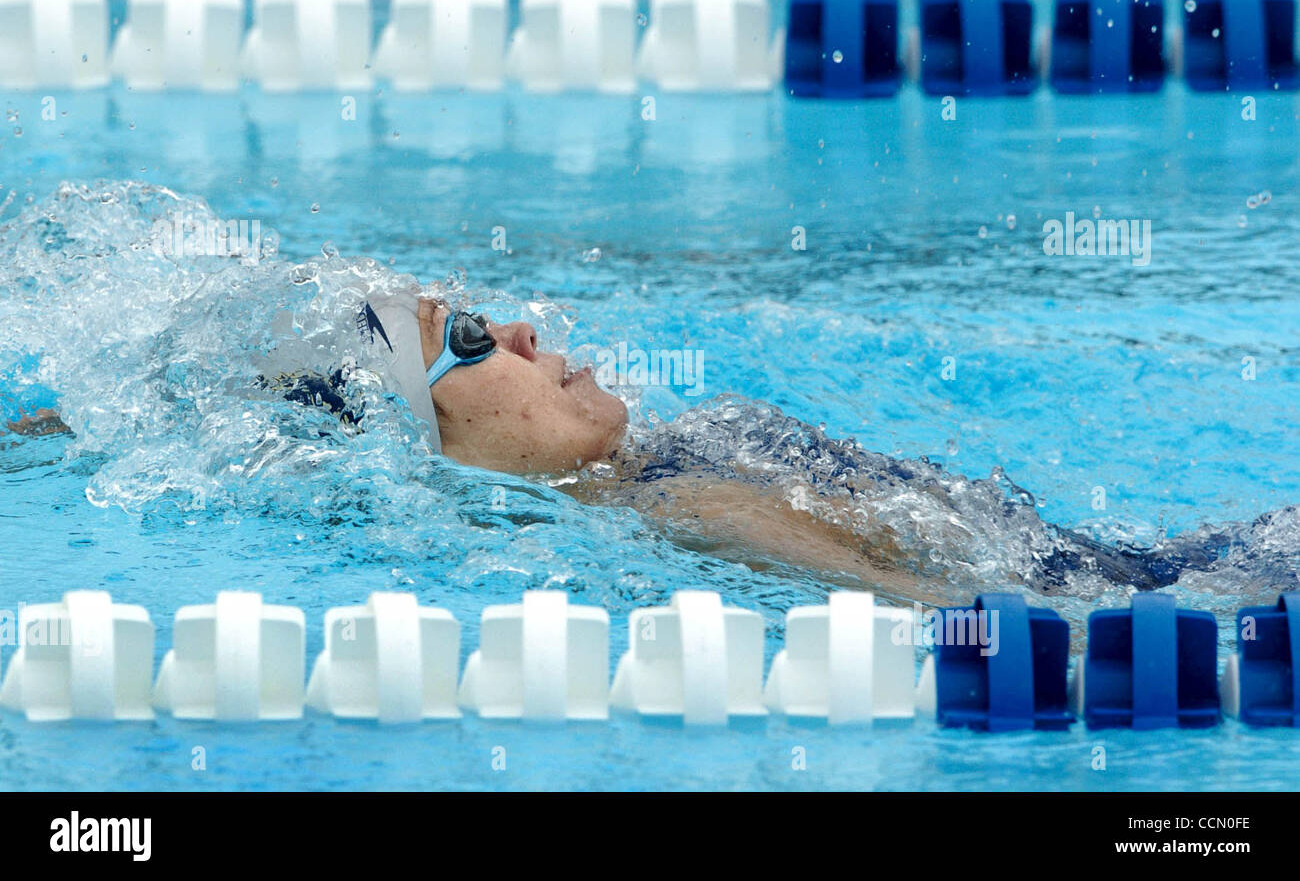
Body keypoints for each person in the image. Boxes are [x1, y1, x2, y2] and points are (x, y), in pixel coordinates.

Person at [9, 289, 1291, 599]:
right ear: (422, 442)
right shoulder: (687, 509)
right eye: (465, 340)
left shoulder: (669, 455)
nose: (521, 325)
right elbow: (979, 618)